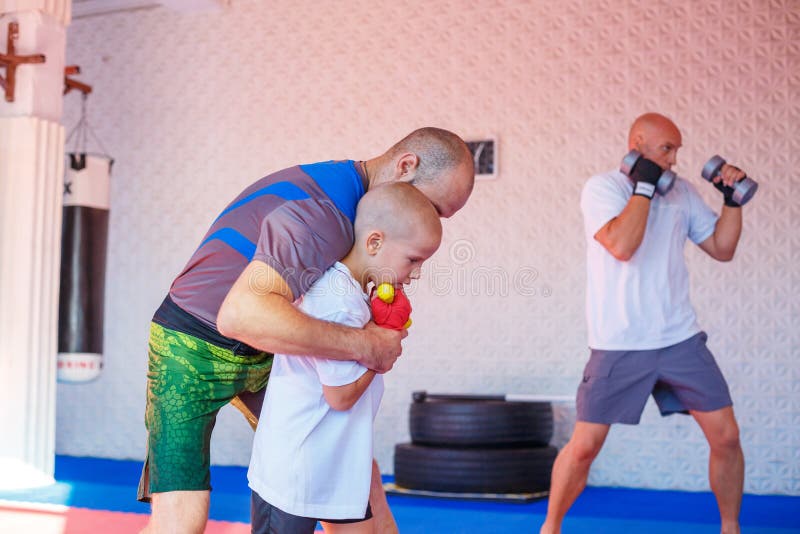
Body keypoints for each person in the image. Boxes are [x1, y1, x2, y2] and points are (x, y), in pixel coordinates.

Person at [139, 127, 475, 534]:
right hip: (191, 343)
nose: (429, 221)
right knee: (182, 520)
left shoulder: (363, 210)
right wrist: (368, 345)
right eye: (435, 208)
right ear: (406, 167)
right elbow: (241, 315)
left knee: (342, 461)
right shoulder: (326, 211)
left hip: (266, 347)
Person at [540, 113, 746, 534]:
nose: (674, 160)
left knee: (725, 436)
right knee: (584, 448)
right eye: (667, 149)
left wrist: (731, 202)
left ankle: (730, 528)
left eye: (677, 151)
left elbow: (723, 249)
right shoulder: (602, 188)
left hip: (679, 339)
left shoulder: (683, 194)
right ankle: (551, 528)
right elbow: (621, 245)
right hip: (619, 341)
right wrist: (645, 186)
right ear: (639, 143)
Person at [249, 182, 442, 533]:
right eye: (412, 259)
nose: (415, 273)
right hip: (297, 471)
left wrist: (378, 329)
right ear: (374, 243)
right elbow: (340, 396)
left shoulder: (353, 299)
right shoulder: (337, 302)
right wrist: (384, 350)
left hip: (336, 462)